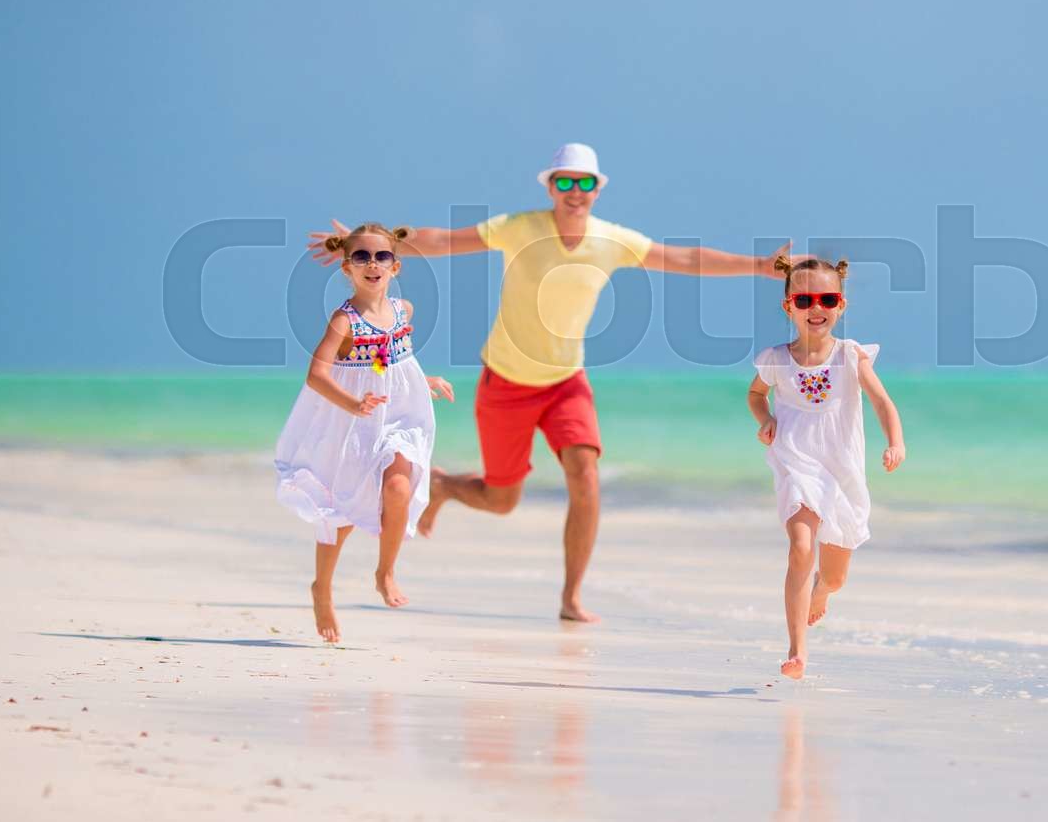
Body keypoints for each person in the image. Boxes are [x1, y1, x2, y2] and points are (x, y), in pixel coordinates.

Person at [307, 142, 797, 623]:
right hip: (505, 381)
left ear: (597, 190)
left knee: (585, 476)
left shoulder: (612, 240)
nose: (575, 191)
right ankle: (447, 488)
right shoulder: (520, 228)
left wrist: (758, 266)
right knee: (502, 501)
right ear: (551, 187)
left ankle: (571, 597)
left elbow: (686, 260)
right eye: (565, 181)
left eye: (585, 182)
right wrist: (367, 246)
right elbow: (445, 239)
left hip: (566, 383)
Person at [275, 223, 456, 643]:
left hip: (398, 412)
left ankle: (385, 570)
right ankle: (322, 588)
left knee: (398, 484)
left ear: (396, 266)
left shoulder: (402, 309)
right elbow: (316, 375)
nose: (371, 264)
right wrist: (354, 404)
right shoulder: (344, 321)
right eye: (361, 257)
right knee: (341, 510)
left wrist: (421, 380)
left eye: (380, 257)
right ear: (346, 268)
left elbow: (387, 360)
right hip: (351, 418)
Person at [748, 255, 906, 680]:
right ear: (789, 308)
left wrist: (895, 442)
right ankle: (797, 650)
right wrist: (765, 420)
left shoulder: (852, 357)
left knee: (835, 577)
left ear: (841, 306)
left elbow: (881, 402)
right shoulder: (776, 359)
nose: (815, 307)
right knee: (801, 548)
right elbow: (755, 395)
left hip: (842, 471)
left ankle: (822, 590)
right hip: (796, 461)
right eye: (804, 300)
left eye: (826, 298)